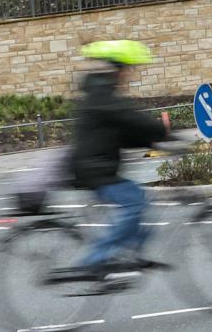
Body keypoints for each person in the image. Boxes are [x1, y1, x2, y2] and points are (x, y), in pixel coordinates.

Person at [50, 40, 171, 283]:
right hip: (94, 170)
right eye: (128, 69)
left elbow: (122, 133)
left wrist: (153, 143)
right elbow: (130, 119)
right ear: (119, 69)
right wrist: (164, 133)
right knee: (134, 202)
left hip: (96, 167)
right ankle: (94, 261)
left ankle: (133, 253)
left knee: (137, 197)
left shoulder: (101, 93)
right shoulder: (102, 95)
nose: (130, 74)